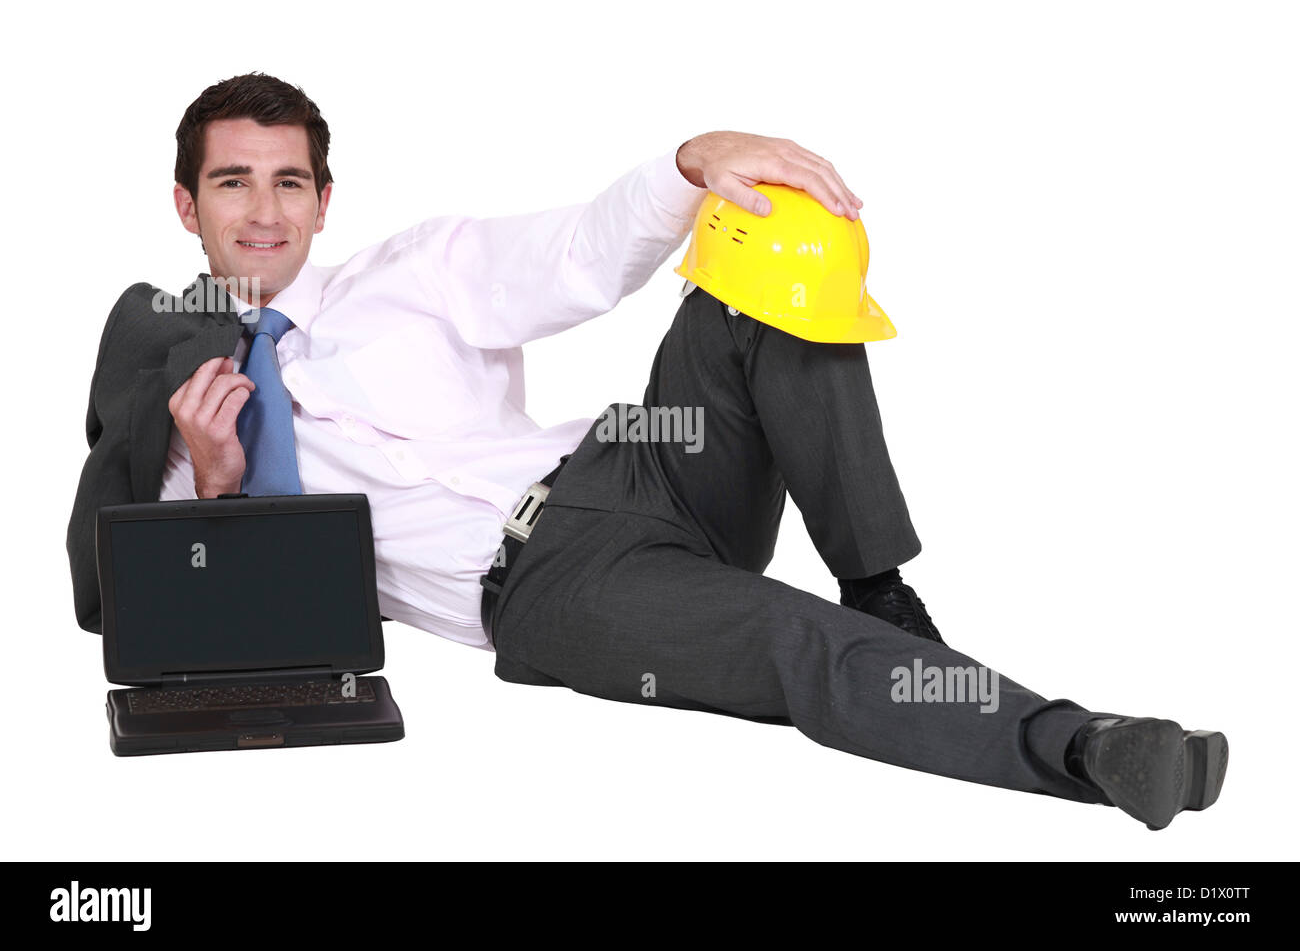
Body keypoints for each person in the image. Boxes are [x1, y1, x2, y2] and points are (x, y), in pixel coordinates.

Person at [67, 72, 1228, 830]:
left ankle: (880, 585)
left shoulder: (410, 273)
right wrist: (214, 492)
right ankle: (1088, 744)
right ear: (186, 205)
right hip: (552, 587)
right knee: (788, 640)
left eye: (287, 183)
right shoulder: (181, 424)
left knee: (763, 273)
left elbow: (576, 251)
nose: (262, 213)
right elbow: (243, 636)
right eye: (232, 183)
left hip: (638, 463)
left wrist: (690, 155)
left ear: (325, 199)